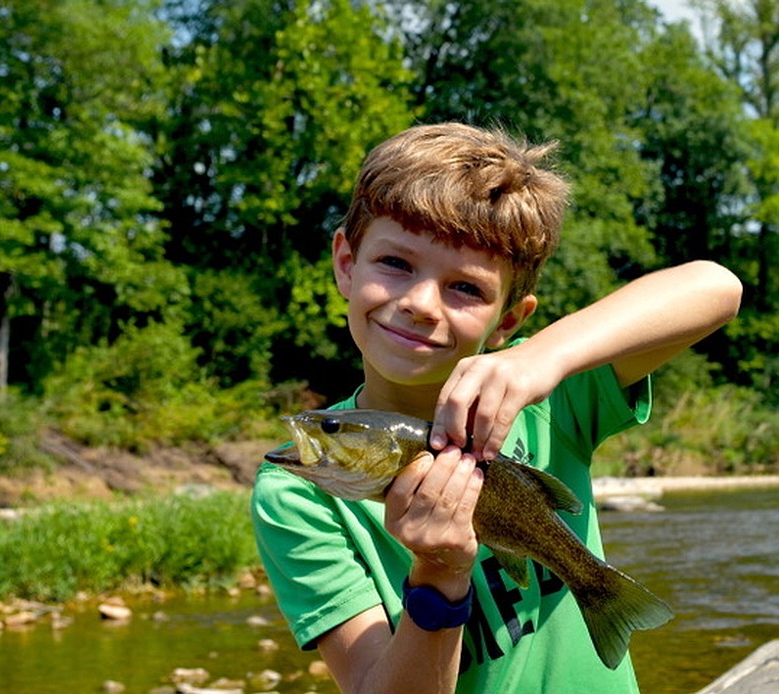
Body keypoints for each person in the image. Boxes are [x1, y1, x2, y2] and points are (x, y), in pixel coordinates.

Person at [250, 122, 742, 693]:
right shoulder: (296, 496)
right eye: (395, 264)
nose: (419, 305)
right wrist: (438, 573)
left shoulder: (545, 392)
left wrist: (544, 359)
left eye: (466, 288)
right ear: (345, 263)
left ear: (508, 320)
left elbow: (717, 286)